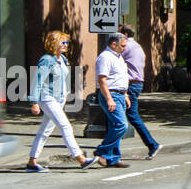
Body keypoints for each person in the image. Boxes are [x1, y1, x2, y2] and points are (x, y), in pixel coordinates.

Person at [26, 32, 89, 170]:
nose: (66, 45)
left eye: (67, 43)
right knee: (65, 126)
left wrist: (65, 95)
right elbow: (37, 81)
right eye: (63, 42)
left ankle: (32, 162)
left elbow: (63, 79)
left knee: (44, 131)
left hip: (59, 99)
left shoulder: (62, 59)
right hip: (48, 98)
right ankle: (81, 159)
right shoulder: (47, 60)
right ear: (54, 43)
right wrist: (34, 102)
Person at [83, 33, 132, 169]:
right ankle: (102, 151)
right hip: (111, 95)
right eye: (122, 46)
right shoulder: (105, 57)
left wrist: (126, 94)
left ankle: (113, 158)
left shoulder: (118, 57)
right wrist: (109, 98)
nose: (124, 48)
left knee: (114, 126)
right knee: (122, 125)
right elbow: (102, 79)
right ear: (113, 44)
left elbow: (120, 77)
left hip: (120, 94)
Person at [121, 26, 161, 160]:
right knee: (122, 116)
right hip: (137, 83)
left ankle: (152, 144)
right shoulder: (137, 46)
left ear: (125, 34)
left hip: (130, 84)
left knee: (130, 116)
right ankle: (112, 149)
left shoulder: (126, 47)